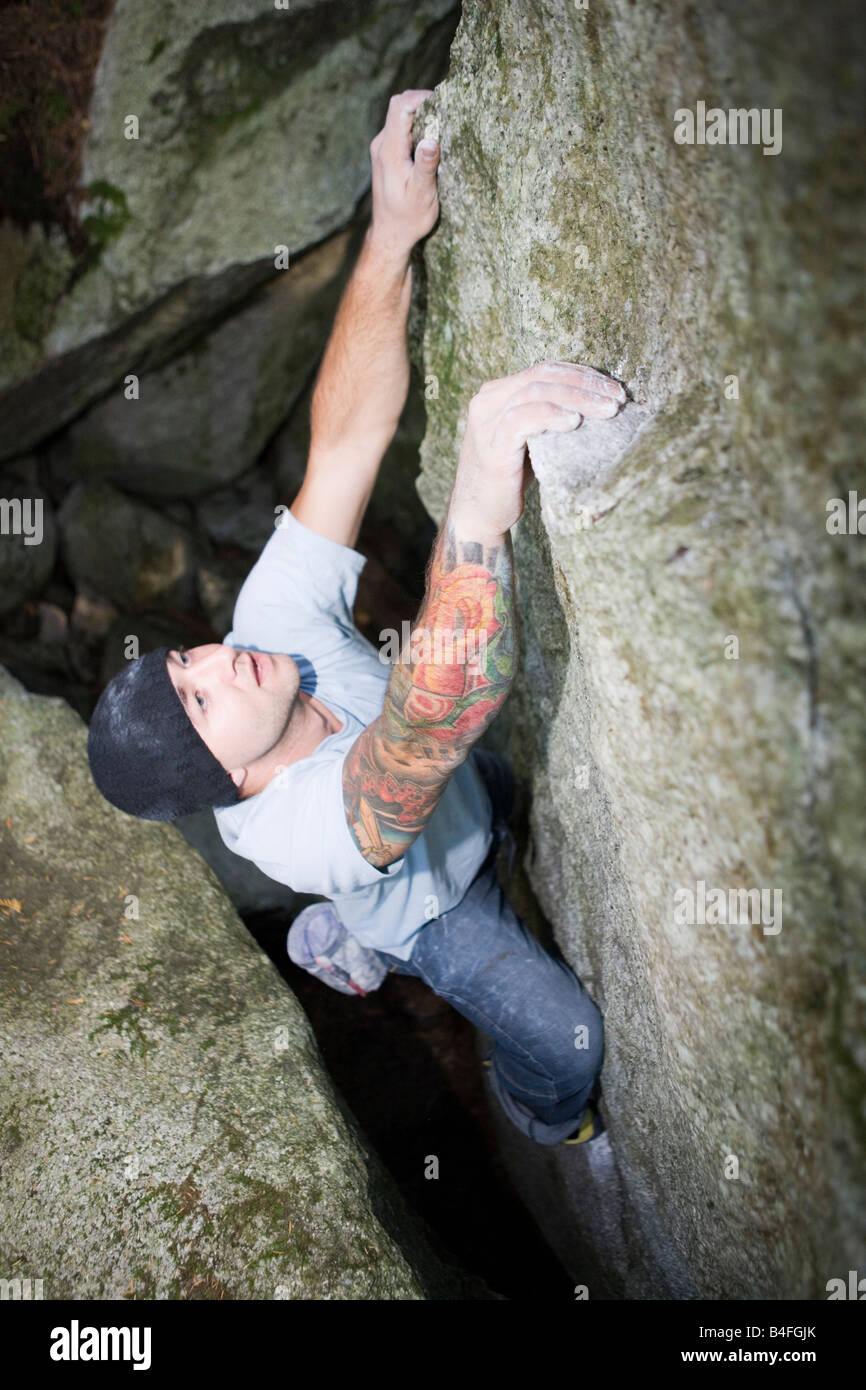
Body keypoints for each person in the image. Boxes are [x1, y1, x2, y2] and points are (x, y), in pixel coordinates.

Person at [87, 90, 624, 1146]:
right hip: (429, 905)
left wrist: (388, 236)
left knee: (498, 789)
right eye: (196, 697)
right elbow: (422, 736)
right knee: (568, 1041)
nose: (212, 657)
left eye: (183, 661)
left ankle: (351, 931)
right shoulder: (297, 828)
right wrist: (477, 489)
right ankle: (538, 1119)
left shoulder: (263, 636)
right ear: (231, 781)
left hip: (457, 796)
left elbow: (341, 443)